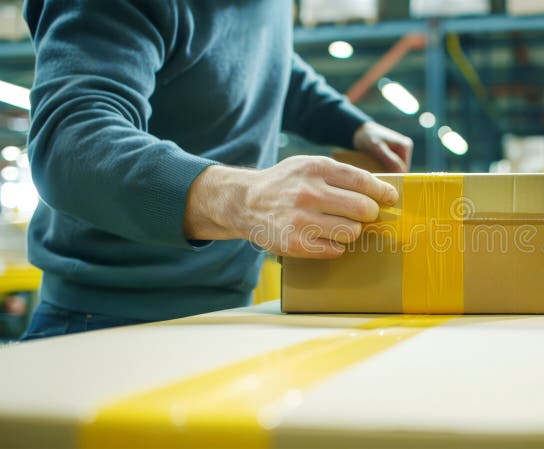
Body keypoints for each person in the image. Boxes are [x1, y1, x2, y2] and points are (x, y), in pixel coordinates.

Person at [20, 0, 412, 340]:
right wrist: (245, 199)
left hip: (224, 311)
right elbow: (70, 143)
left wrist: (352, 126)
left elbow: (263, 61)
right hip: (103, 322)